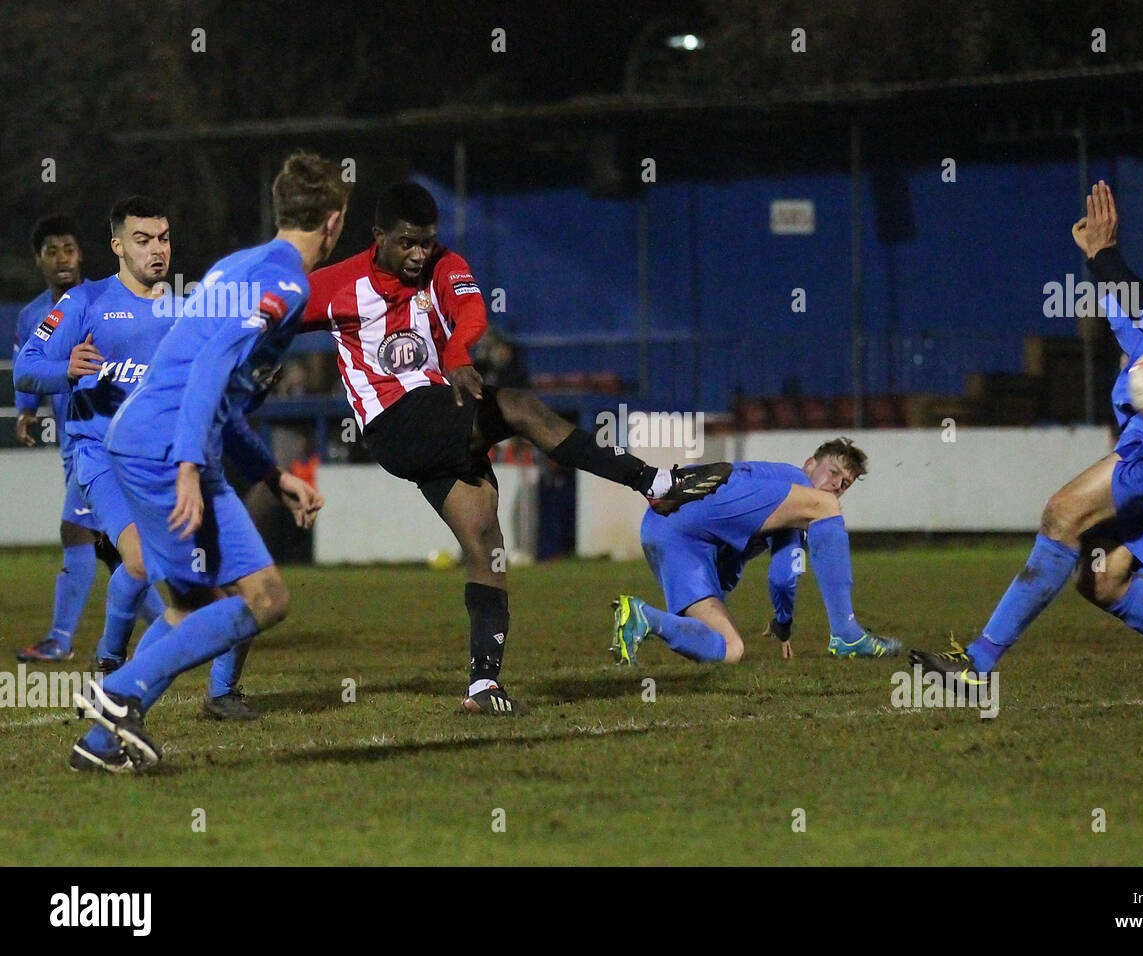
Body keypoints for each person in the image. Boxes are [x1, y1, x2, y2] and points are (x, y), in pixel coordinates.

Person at [301, 181, 732, 716]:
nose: (418, 255)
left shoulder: (444, 264)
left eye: (426, 243)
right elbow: (269, 316)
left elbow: (473, 315)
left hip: (443, 414)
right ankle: (653, 481)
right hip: (394, 422)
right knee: (522, 408)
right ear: (379, 236)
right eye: (407, 243)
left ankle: (484, 686)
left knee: (487, 542)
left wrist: (458, 350)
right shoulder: (337, 285)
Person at [910, 139, 1143, 713]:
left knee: (1063, 512)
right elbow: (1141, 335)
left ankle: (978, 665)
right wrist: (1101, 265)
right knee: (1102, 578)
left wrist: (1106, 257)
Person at [69, 152, 336, 772]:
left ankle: (102, 743)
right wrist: (188, 464)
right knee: (264, 598)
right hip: (166, 449)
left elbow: (217, 390)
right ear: (334, 220)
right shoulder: (287, 282)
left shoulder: (236, 267)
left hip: (146, 440)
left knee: (193, 605)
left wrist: (271, 474)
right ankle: (116, 694)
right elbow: (214, 364)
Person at [611, 438, 901, 664]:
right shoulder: (795, 480)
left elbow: (774, 575)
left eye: (845, 484)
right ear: (810, 463)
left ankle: (644, 617)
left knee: (729, 648)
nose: (836, 484)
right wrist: (783, 622)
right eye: (833, 472)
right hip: (700, 496)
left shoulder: (780, 510)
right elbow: (783, 576)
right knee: (826, 505)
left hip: (664, 532)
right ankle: (847, 633)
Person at [11, 215, 112, 662]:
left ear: (81, 254)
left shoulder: (100, 302)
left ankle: (60, 639)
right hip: (73, 442)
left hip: (104, 438)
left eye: (68, 249)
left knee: (75, 530)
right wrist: (27, 411)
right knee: (110, 547)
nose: (62, 258)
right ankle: (174, 628)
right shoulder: (34, 316)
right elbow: (26, 367)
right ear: (38, 259)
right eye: (51, 251)